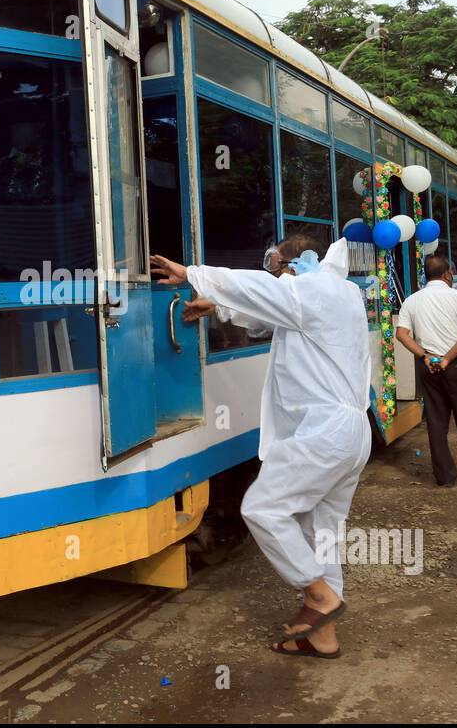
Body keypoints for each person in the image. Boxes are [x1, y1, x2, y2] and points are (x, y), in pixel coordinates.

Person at [150, 234, 370, 659]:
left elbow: (262, 292)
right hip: (348, 431)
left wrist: (193, 274)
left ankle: (320, 594)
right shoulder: (336, 293)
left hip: (322, 432)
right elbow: (268, 314)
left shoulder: (314, 288)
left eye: (275, 268)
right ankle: (322, 635)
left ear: (290, 265)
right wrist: (217, 306)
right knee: (320, 532)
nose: (274, 275)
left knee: (263, 509)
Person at [395, 253, 457, 487]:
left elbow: (401, 334)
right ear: (447, 274)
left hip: (428, 368)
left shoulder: (412, 300)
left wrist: (426, 356)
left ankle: (445, 477)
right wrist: (448, 359)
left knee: (436, 422)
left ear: (426, 275)